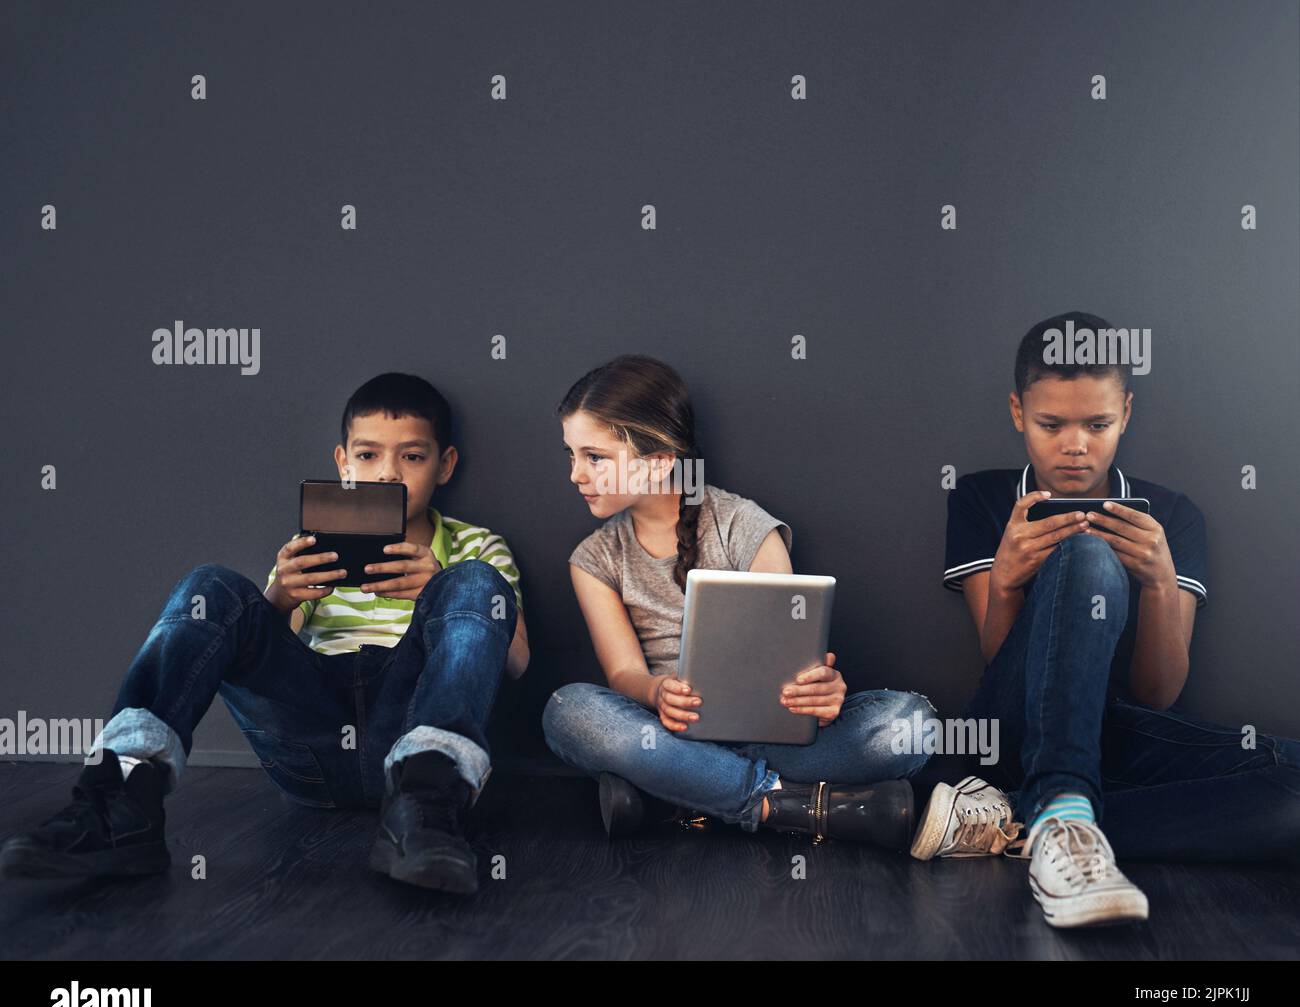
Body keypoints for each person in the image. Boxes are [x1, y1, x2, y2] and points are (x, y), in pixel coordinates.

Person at [0, 373, 528, 895]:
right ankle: (119, 799)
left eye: (411, 457)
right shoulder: (310, 546)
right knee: (211, 586)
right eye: (368, 456)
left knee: (476, 583)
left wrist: (437, 590)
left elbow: (517, 662)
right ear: (343, 463)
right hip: (313, 739)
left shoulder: (476, 546)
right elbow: (255, 652)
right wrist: (282, 599)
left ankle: (426, 805)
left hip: (412, 731)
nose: (387, 473)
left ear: (445, 464)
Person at [543, 354, 1017, 855]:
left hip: (765, 739)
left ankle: (681, 798)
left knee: (911, 725)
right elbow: (622, 676)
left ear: (658, 461)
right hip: (663, 734)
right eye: (571, 455)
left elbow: (793, 662)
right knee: (567, 711)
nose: (575, 473)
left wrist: (822, 691)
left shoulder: (742, 524)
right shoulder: (594, 558)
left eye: (593, 457)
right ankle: (786, 805)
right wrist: (656, 691)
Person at [940, 311, 1300, 928]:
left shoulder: (1172, 516)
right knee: (1086, 553)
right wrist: (1004, 581)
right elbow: (1000, 664)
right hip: (1012, 732)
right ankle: (1060, 807)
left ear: (1126, 414)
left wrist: (1159, 579)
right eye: (1052, 424)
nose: (1075, 444)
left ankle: (1023, 825)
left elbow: (1158, 693)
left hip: (1120, 736)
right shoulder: (982, 497)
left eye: (1098, 424)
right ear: (1018, 412)